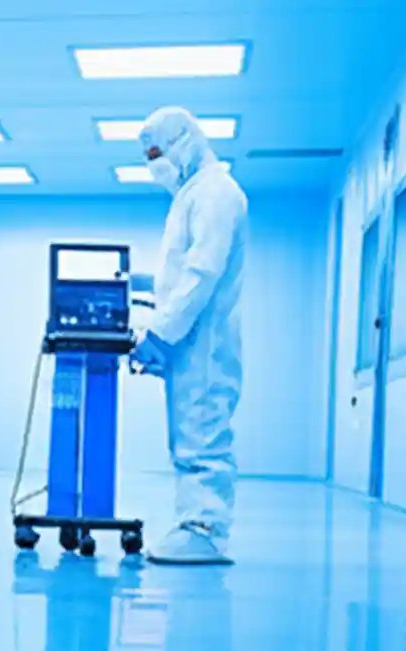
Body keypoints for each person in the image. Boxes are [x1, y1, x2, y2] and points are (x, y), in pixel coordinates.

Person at [130, 107, 248, 565]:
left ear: (186, 140)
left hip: (205, 342)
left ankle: (206, 529)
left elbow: (202, 272)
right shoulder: (192, 194)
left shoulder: (216, 193)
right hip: (192, 340)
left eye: (158, 152)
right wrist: (140, 283)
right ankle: (195, 522)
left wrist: (160, 333)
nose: (155, 163)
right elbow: (181, 272)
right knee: (187, 431)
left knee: (202, 429)